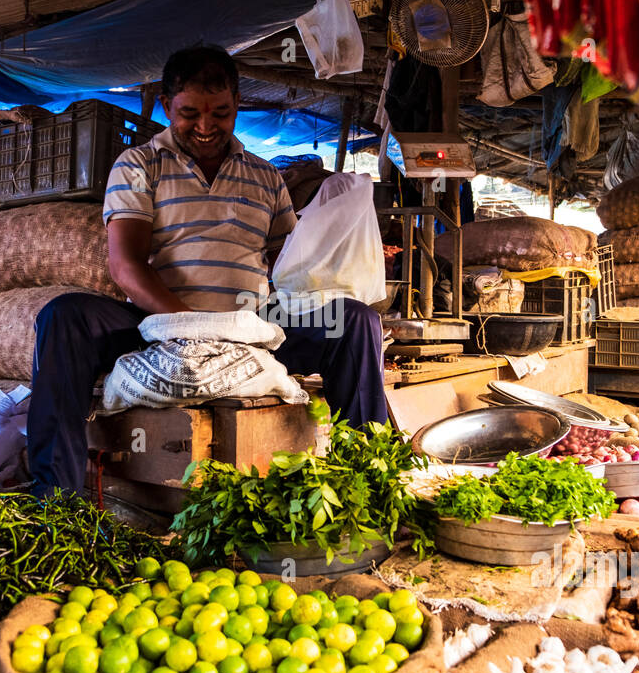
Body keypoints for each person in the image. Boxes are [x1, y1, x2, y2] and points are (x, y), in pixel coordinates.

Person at [27, 45, 388, 496]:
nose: (204, 126)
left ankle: (371, 478)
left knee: (355, 321)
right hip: (154, 324)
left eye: (220, 113)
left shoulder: (265, 177)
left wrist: (336, 262)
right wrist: (186, 326)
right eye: (189, 113)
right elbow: (126, 264)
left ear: (237, 104)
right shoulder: (139, 166)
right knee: (63, 317)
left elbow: (289, 265)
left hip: (251, 323)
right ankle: (54, 497)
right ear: (166, 107)